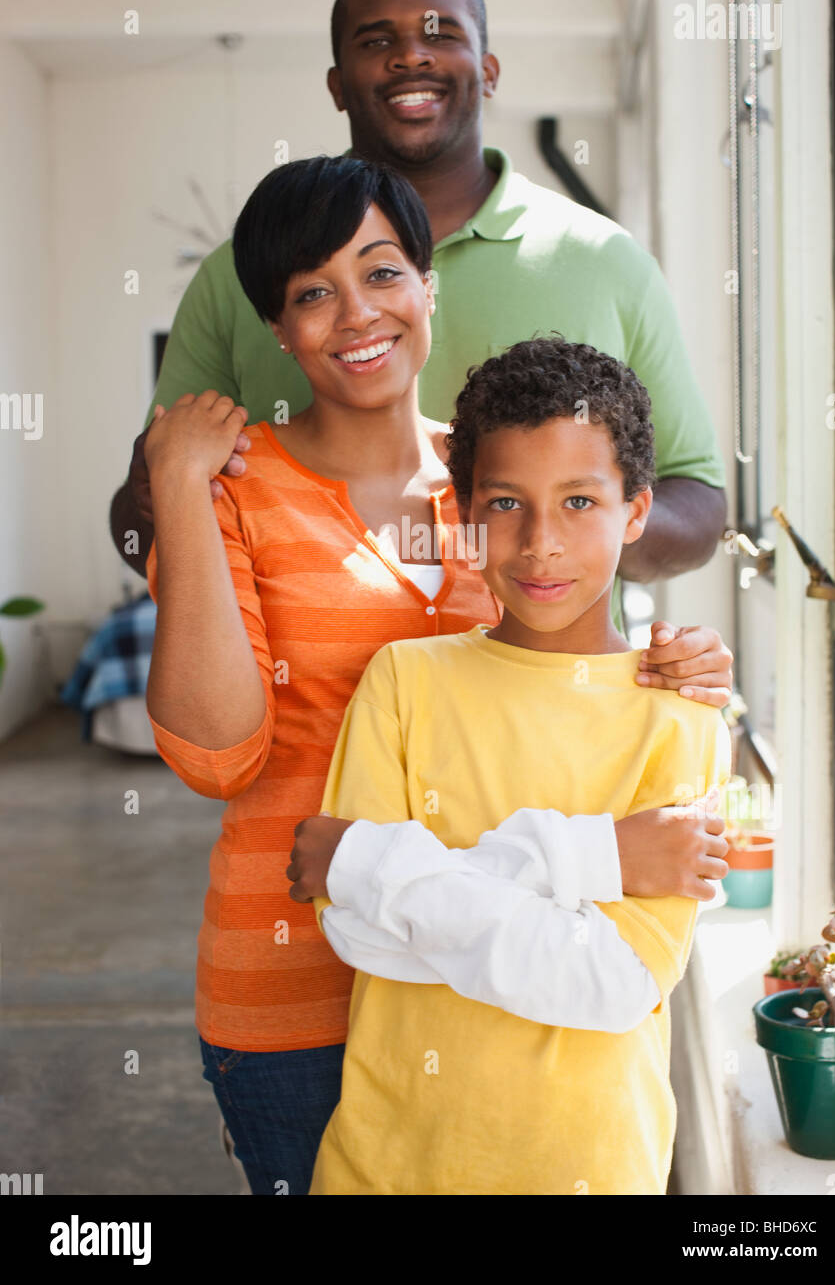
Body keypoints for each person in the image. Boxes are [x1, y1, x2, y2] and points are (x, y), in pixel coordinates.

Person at [143, 157, 731, 1196]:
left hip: (500, 990)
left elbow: (558, 674)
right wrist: (179, 485)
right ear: (278, 330)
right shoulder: (237, 494)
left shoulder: (504, 477)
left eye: (381, 272)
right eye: (311, 292)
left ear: (428, 285)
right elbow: (217, 753)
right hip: (289, 993)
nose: (355, 312)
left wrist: (668, 660)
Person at [110, 0, 727, 635]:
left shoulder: (603, 258)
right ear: (338, 84)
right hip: (308, 720)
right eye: (376, 40)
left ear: (488, 71)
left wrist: (565, 525)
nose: (410, 56)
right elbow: (142, 522)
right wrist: (161, 486)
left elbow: (697, 500)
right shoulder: (236, 274)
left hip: (534, 716)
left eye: (441, 33)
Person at [296, 340, 730, 1195]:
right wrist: (592, 859)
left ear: (635, 511)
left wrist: (390, 875)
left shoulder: (677, 710)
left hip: (585, 1166)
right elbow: (357, 934)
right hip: (387, 1164)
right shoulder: (404, 681)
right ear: (460, 513)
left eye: (578, 502)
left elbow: (611, 984)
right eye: (504, 503)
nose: (539, 543)